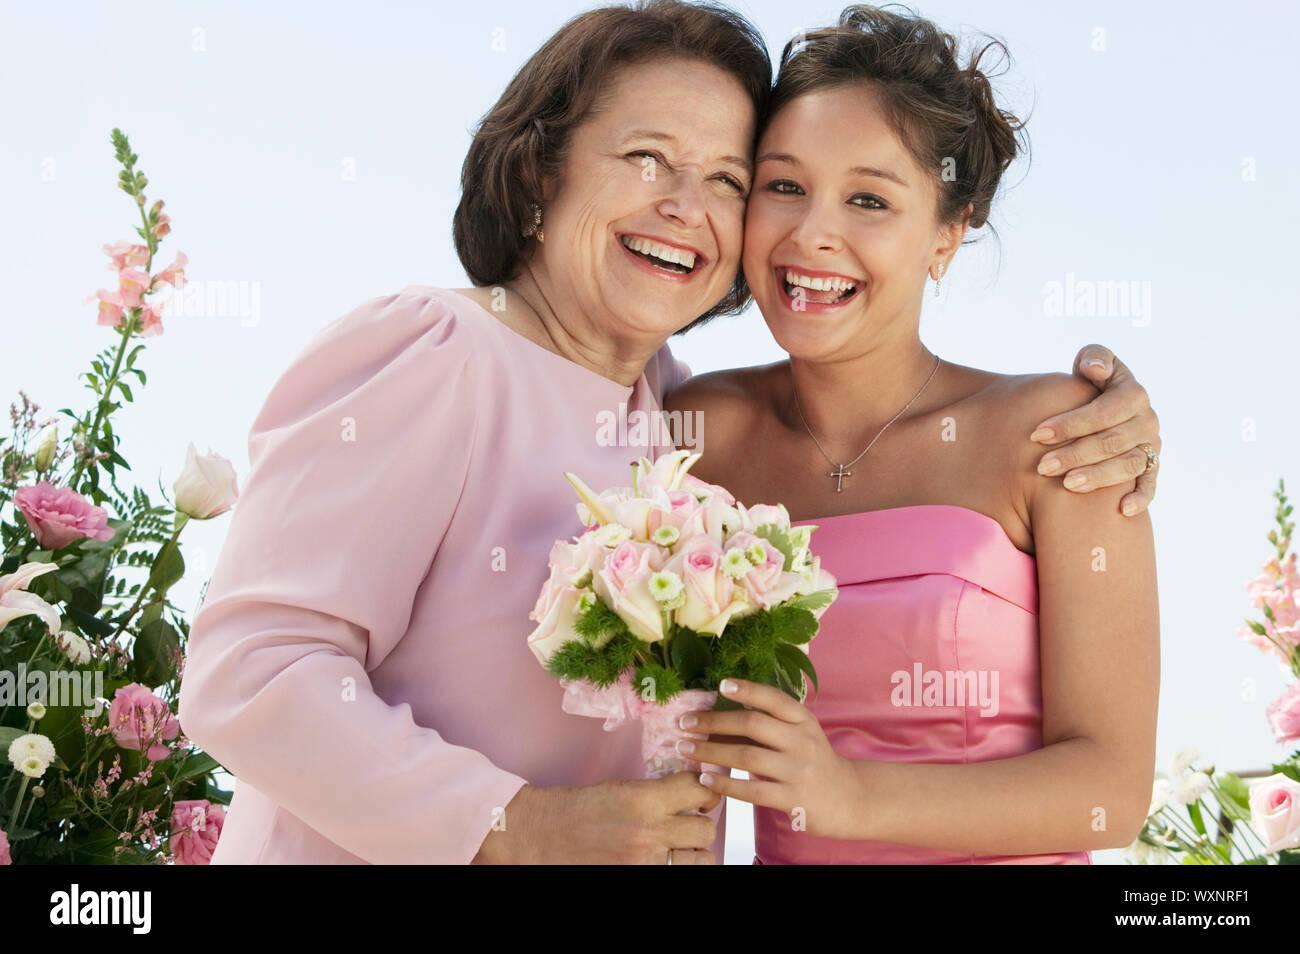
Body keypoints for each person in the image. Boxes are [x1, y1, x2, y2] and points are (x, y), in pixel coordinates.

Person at [178, 0, 1160, 865]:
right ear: (538, 172)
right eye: (647, 158)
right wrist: (512, 828)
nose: (686, 207)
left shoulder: (676, 414)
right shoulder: (438, 352)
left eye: (728, 178)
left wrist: (1122, 412)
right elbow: (249, 673)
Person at [665, 4, 1159, 863]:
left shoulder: (1059, 436)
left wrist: (847, 795)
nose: (813, 233)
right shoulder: (698, 435)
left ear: (947, 233)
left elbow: (1109, 793)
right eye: (784, 185)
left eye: (869, 199)